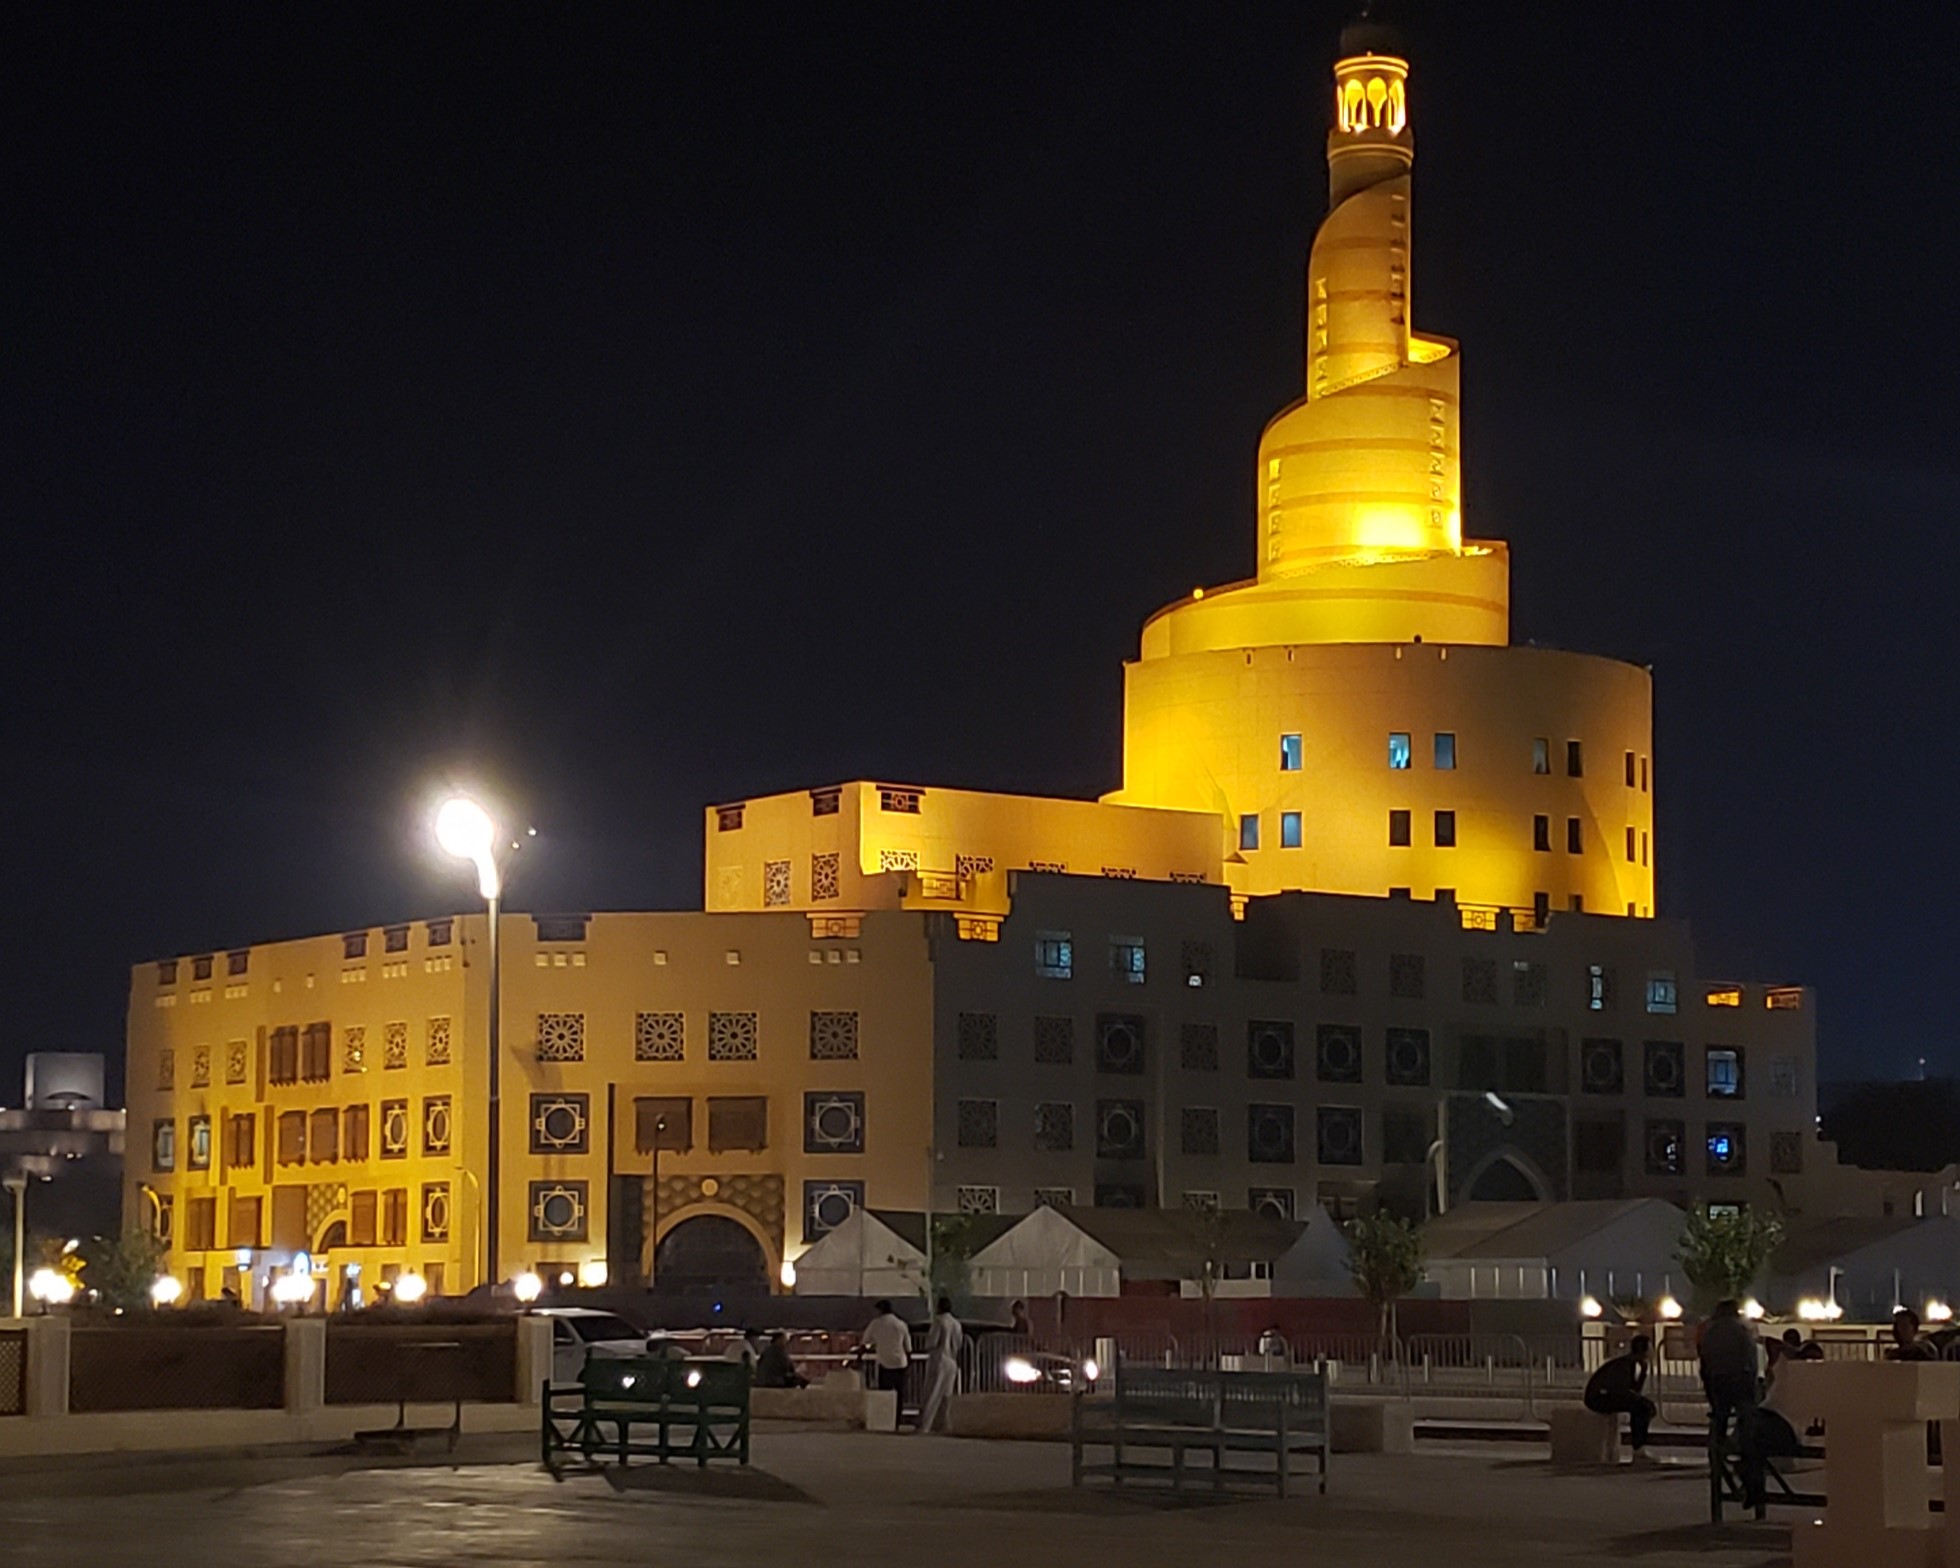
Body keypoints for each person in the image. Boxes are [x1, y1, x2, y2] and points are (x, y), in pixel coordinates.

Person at [1700, 1299, 1763, 1507]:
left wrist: (1711, 1398)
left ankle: (1718, 1465)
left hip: (1718, 1384)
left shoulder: (1710, 1332)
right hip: (1740, 1384)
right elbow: (1750, 1362)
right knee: (1748, 1434)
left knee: (1719, 1428)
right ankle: (1751, 1484)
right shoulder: (1741, 1331)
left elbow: (1704, 1366)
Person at [1583, 1335, 1656, 1462]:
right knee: (1641, 1408)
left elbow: (1634, 1391)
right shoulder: (1625, 1364)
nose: (1653, 1351)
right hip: (1598, 1398)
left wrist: (1643, 1373)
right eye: (1650, 1347)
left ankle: (1638, 1447)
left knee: (1641, 1407)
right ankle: (1638, 1449)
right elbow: (1622, 1390)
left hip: (1606, 1395)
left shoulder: (1635, 1364)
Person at [915, 1295, 963, 1434]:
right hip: (952, 1360)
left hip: (939, 1358)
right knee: (946, 1395)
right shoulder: (956, 1323)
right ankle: (944, 1425)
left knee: (932, 1392)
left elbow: (932, 1342)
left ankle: (925, 1425)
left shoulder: (939, 1321)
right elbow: (959, 1343)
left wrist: (926, 1345)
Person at [863, 1300, 911, 1394]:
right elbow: (908, 1347)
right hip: (900, 1363)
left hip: (885, 1363)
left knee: (885, 1394)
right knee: (900, 1393)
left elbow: (865, 1341)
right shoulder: (901, 1323)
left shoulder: (876, 1323)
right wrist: (908, 1363)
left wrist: (862, 1353)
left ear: (880, 1310)